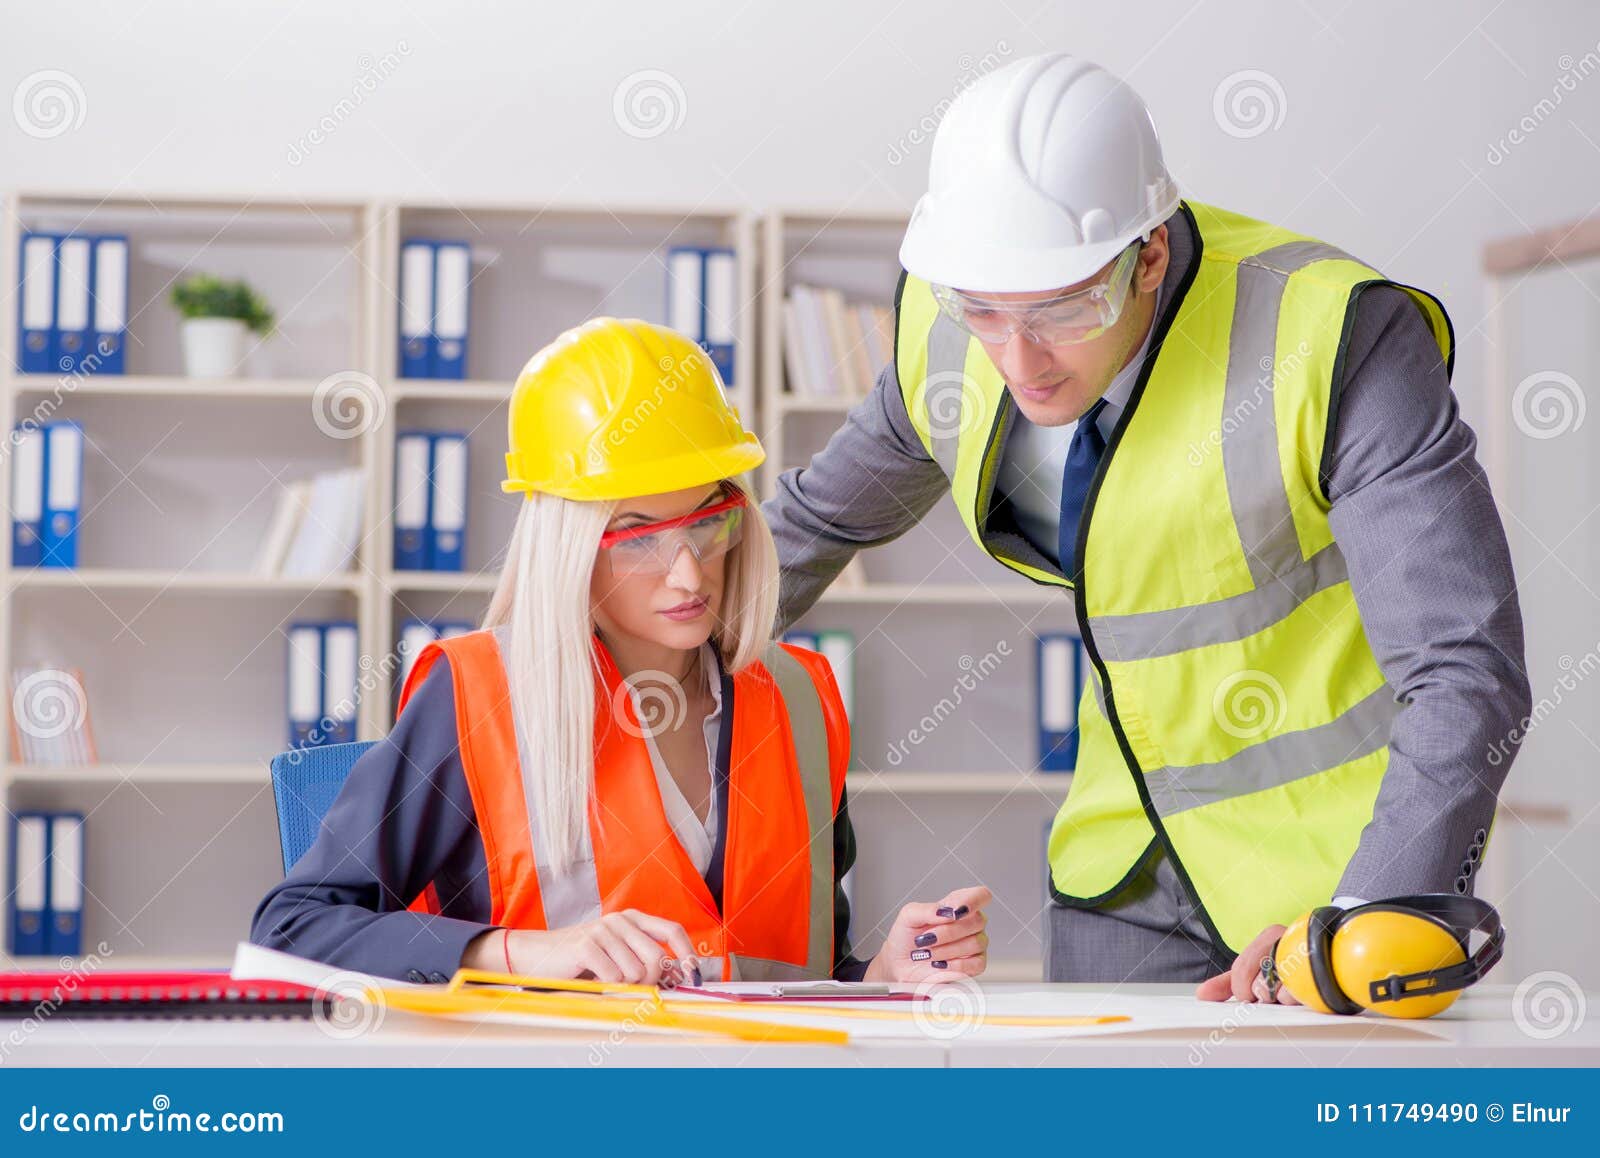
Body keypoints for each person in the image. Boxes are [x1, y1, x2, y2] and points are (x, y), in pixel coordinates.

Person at [762, 53, 1530, 999]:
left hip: (1330, 878)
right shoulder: (946, 333)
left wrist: (1365, 922)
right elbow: (801, 532)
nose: (1020, 361)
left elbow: (1466, 670)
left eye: (1063, 309)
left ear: (1150, 255)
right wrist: (577, 648)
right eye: (985, 313)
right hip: (1118, 869)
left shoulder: (1333, 339)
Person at [252, 319, 991, 985]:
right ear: (567, 548)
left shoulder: (800, 700)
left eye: (708, 522)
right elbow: (293, 930)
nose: (688, 573)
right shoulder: (478, 694)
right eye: (637, 536)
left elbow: (800, 971)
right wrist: (518, 952)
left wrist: (884, 974)